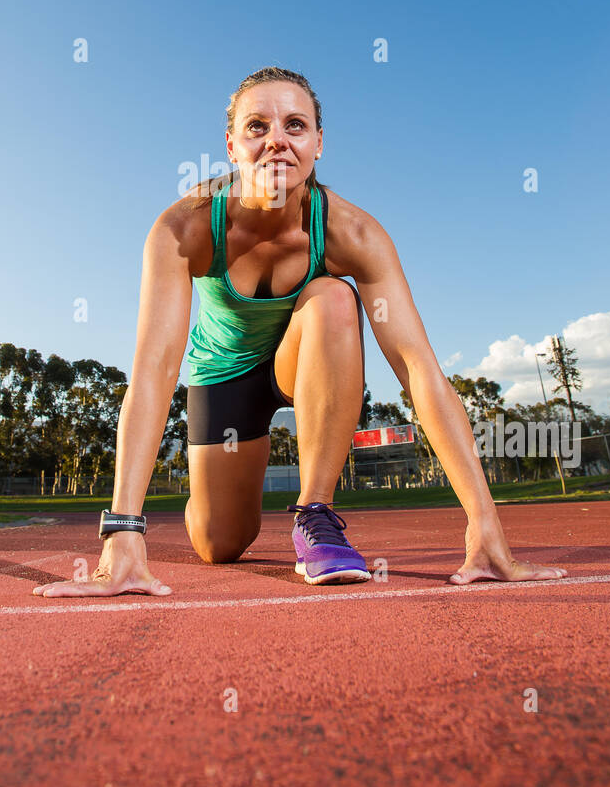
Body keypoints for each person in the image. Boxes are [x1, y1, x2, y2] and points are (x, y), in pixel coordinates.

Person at [34, 66, 567, 598]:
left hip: (305, 359)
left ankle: (315, 514)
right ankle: (209, 493)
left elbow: (416, 366)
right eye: (257, 127)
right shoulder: (186, 227)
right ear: (231, 145)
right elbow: (154, 369)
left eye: (295, 125)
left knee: (335, 297)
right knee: (219, 543)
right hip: (224, 375)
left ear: (318, 143)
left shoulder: (354, 233)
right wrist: (124, 529)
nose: (277, 142)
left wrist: (485, 523)